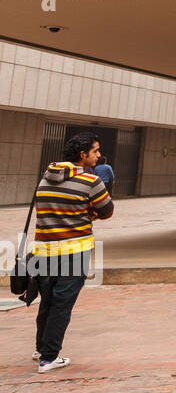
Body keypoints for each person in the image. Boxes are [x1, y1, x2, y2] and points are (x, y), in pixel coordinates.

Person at [30, 131, 114, 373]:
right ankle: (49, 357)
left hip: (43, 250)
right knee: (62, 303)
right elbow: (107, 210)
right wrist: (88, 212)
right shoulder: (90, 182)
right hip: (74, 251)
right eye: (95, 151)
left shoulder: (44, 179)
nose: (98, 156)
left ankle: (40, 348)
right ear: (82, 154)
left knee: (47, 300)